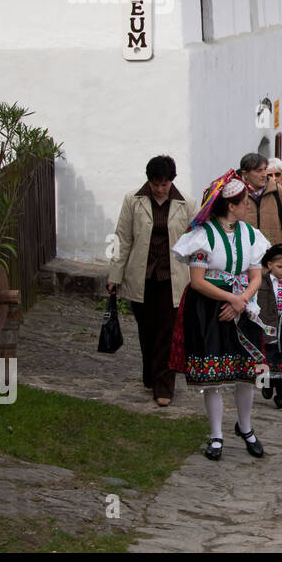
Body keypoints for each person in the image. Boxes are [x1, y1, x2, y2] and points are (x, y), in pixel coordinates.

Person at [170, 172, 271, 461]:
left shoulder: (251, 235)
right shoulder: (203, 236)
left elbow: (255, 276)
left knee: (246, 373)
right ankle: (216, 435)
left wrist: (241, 301)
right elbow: (198, 281)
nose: (248, 207)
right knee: (213, 376)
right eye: (244, 202)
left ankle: (246, 428)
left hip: (242, 306)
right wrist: (231, 299)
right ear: (230, 206)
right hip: (209, 308)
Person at [107, 155, 196, 406]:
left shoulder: (186, 203)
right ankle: (150, 374)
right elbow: (121, 239)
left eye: (164, 184)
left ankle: (164, 385)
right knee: (147, 331)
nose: (159, 189)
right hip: (142, 277)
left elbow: (196, 240)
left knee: (167, 333)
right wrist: (115, 275)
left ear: (171, 181)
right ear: (149, 181)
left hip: (173, 279)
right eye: (155, 184)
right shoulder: (132, 200)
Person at [255, 243, 282, 408]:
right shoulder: (262, 282)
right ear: (270, 265)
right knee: (266, 355)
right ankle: (265, 385)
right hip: (267, 324)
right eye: (280, 266)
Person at [240, 152, 282, 253]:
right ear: (245, 174)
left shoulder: (281, 194)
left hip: (275, 259)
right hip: (244, 259)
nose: (264, 174)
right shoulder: (237, 195)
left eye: (264, 169)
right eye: (259, 171)